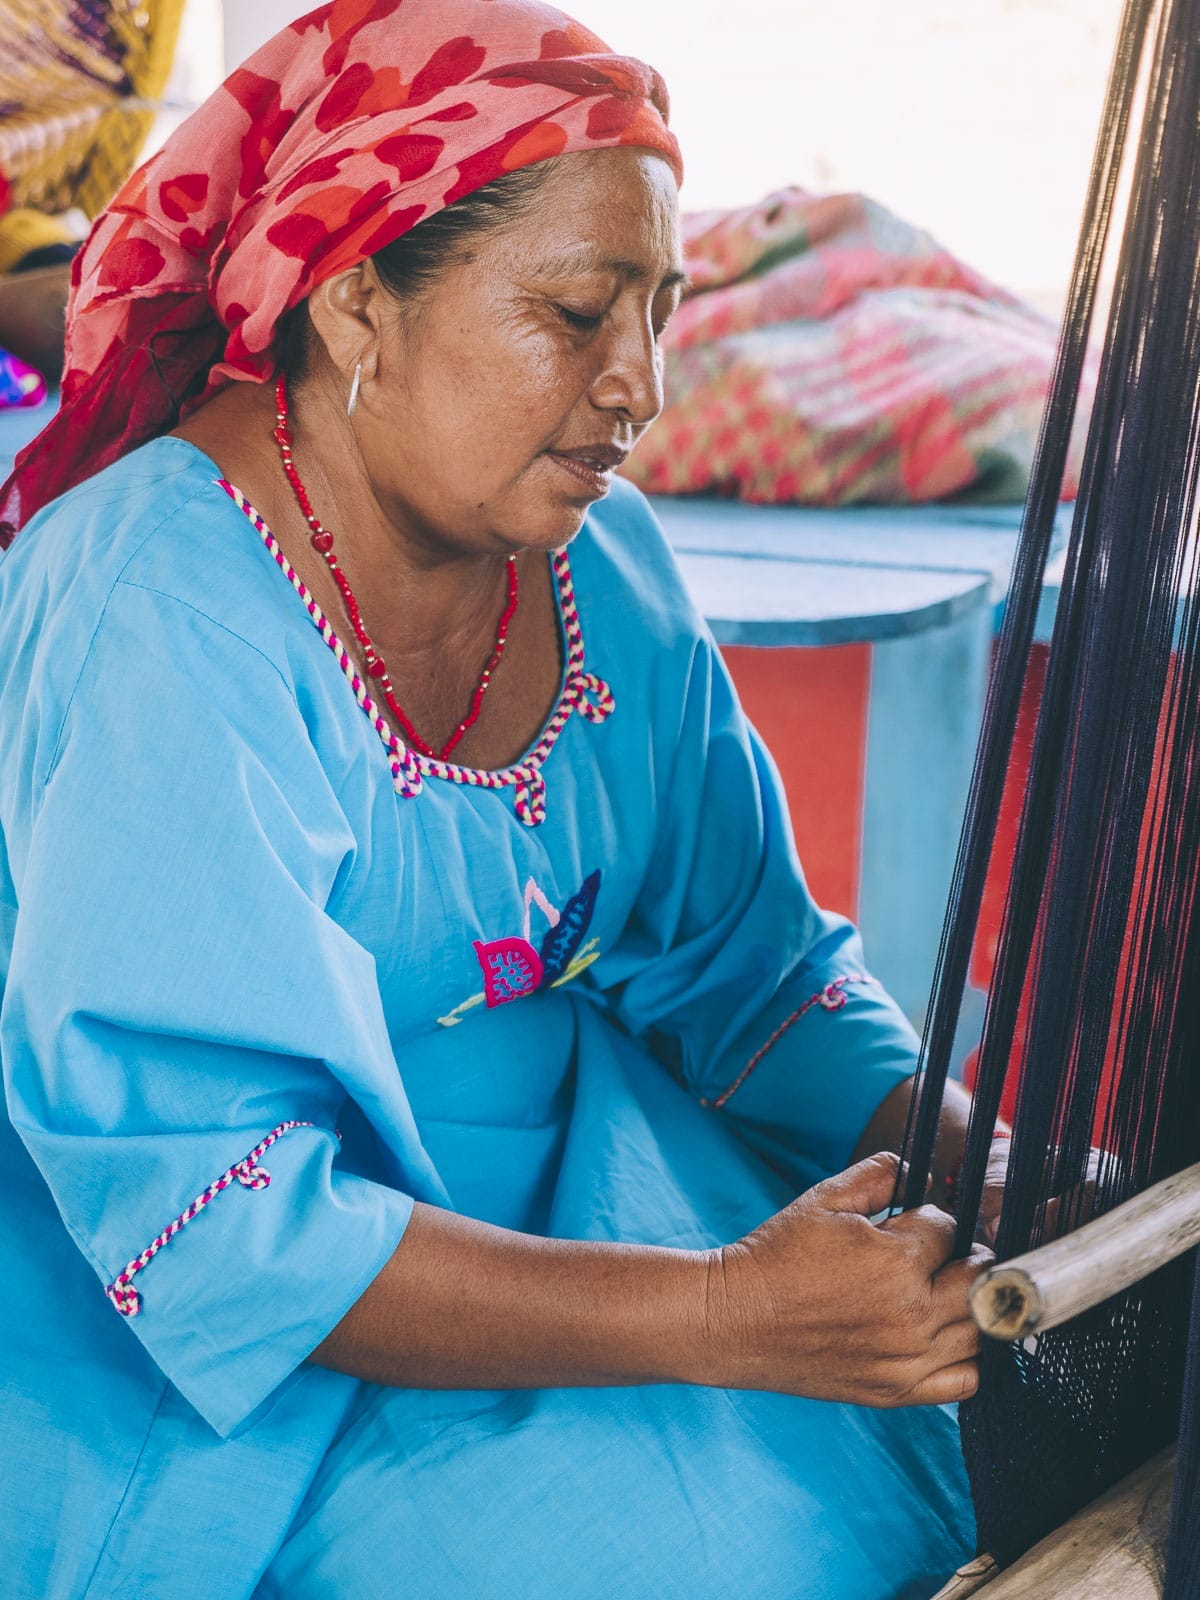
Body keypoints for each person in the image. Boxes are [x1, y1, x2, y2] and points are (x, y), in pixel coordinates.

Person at [0, 3, 989, 1596]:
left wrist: (989, 1170)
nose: (640, 387)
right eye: (578, 310)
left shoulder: (600, 561)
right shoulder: (162, 616)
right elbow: (219, 1217)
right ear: (354, 305)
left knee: (886, 1487)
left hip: (554, 1206)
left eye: (659, 311)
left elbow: (757, 980)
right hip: (163, 1321)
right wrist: (724, 1315)